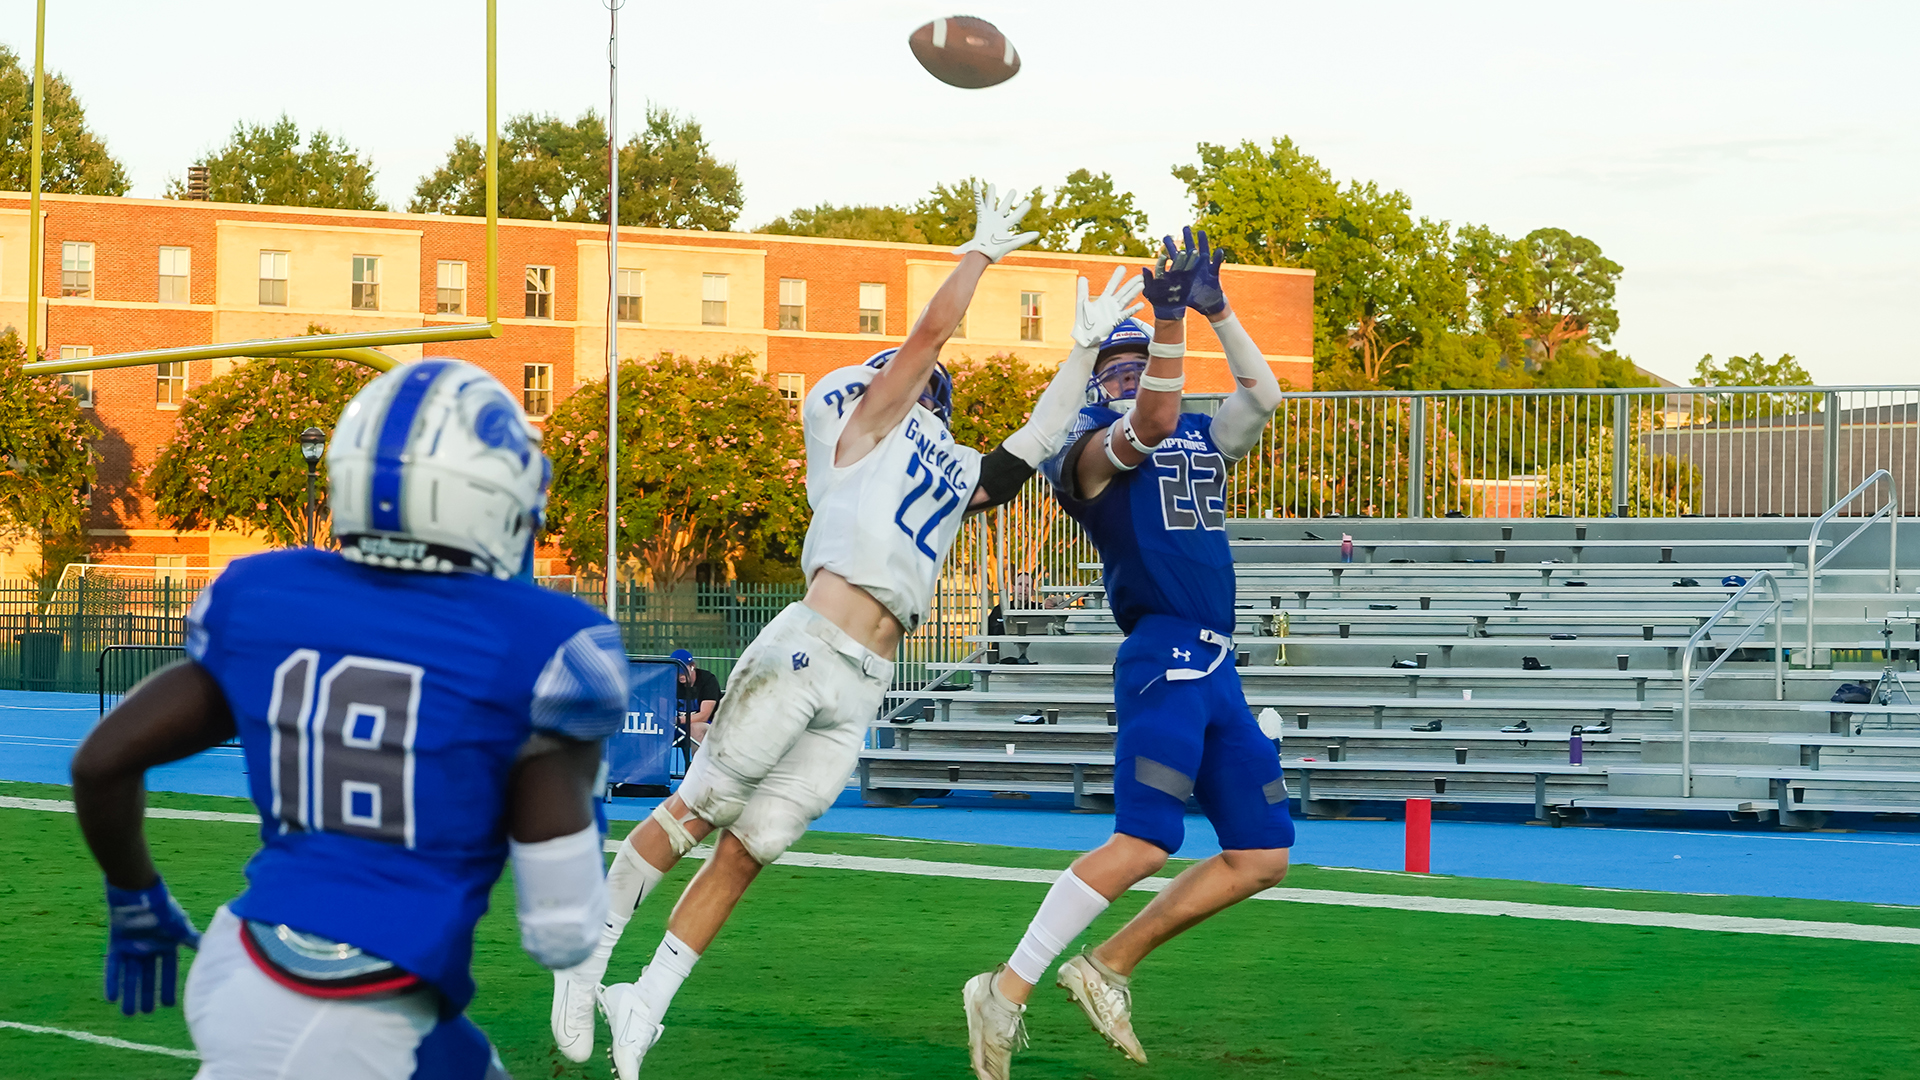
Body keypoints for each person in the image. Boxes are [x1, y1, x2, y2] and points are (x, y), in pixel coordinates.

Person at [549, 183, 1146, 1079]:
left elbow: (1032, 442)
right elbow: (928, 340)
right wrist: (978, 253)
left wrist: (1081, 351)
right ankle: (589, 953)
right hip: (808, 646)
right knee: (698, 810)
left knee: (755, 847)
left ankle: (645, 1000)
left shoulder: (948, 472)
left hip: (866, 677)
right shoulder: (865, 426)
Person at [69, 359, 629, 1079]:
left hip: (250, 958)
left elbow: (100, 761)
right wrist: (569, 765)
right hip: (342, 1001)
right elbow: (561, 931)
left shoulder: (266, 593)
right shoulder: (541, 643)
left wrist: (136, 893)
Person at [961, 228, 1291, 1080]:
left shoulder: (1199, 437)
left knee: (1261, 854)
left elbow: (1263, 393)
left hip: (1218, 663)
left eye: (1138, 356)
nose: (1130, 370)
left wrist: (1215, 312)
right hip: (1163, 653)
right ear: (1093, 383)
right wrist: (1170, 327)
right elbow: (1150, 417)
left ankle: (1108, 965)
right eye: (1115, 363)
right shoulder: (1083, 456)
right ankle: (1004, 987)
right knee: (1146, 839)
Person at [669, 649, 721, 746]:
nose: (680, 676)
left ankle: (695, 761)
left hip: (705, 725)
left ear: (692, 666)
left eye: (683, 672)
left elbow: (704, 716)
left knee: (696, 728)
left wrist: (677, 720)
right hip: (676, 726)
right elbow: (662, 711)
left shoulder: (708, 680)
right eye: (677, 672)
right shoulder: (668, 681)